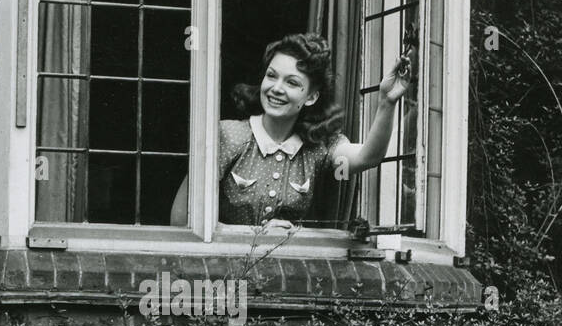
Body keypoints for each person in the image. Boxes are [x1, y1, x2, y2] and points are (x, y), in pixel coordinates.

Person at [169, 32, 411, 229]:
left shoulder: (318, 149)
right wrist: (255, 234)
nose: (276, 88)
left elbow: (368, 157)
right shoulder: (227, 135)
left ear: (311, 96)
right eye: (271, 76)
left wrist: (386, 102)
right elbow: (181, 221)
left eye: (292, 82)